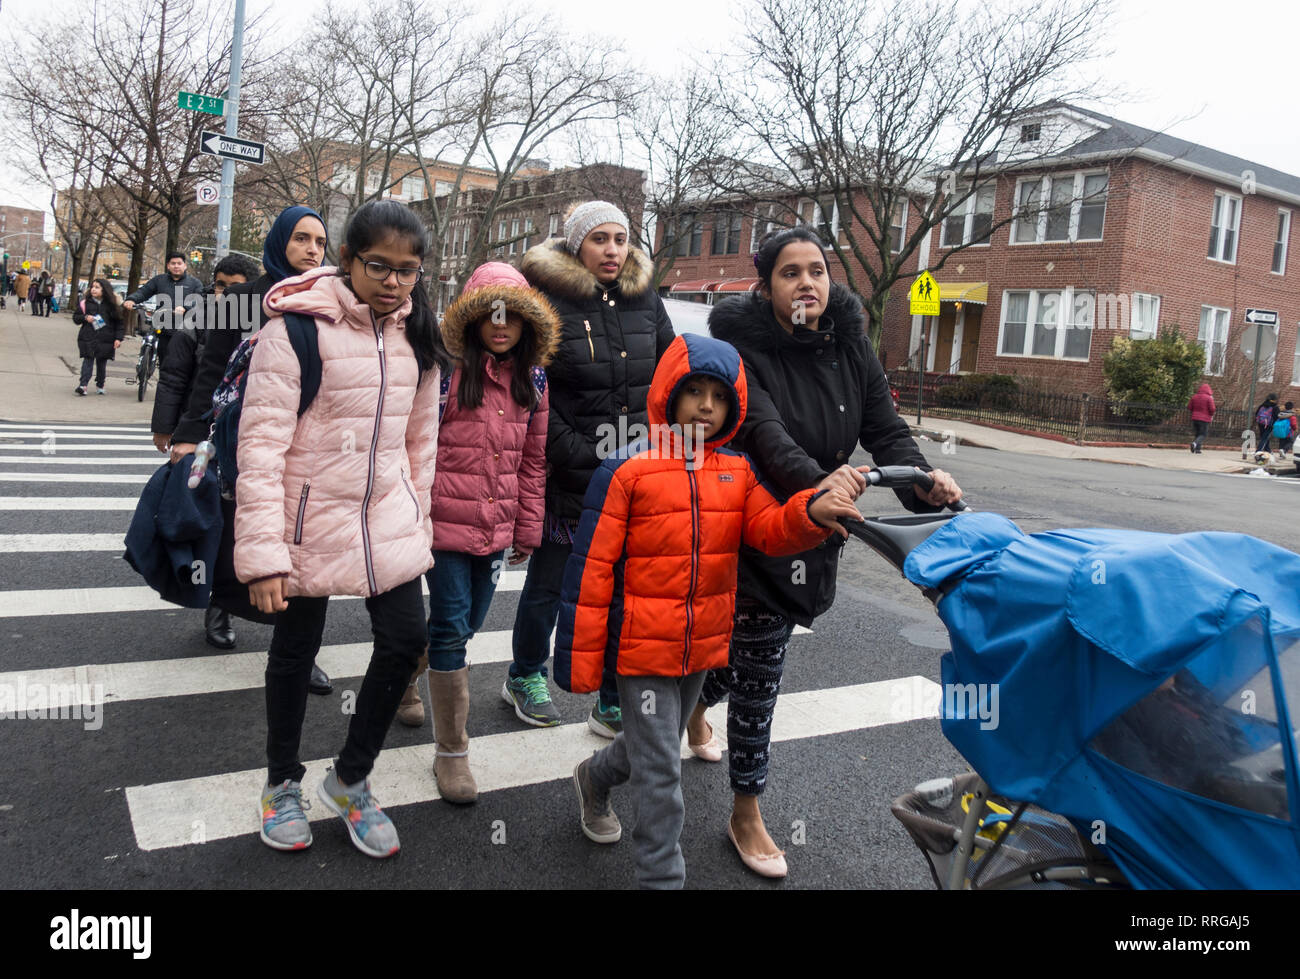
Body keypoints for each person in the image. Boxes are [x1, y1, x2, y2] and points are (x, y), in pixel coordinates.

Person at [684, 227, 961, 878]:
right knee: (762, 671)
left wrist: (924, 479)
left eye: (816, 270)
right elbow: (764, 431)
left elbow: (883, 426)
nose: (806, 282)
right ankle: (745, 811)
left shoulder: (848, 341)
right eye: (789, 273)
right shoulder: (743, 344)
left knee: (744, 659)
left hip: (816, 521)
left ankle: (695, 705)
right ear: (766, 285)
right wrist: (819, 483)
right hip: (759, 517)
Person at [558, 333, 862, 888]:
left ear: (733, 406)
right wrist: (580, 660)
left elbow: (770, 531)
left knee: (652, 749)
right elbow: (592, 570)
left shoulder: (737, 472)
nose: (704, 405)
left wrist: (810, 510)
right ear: (667, 396)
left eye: (718, 396)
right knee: (661, 780)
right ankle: (662, 877)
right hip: (644, 649)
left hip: (702, 646)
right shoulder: (628, 471)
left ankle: (593, 778)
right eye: (693, 391)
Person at [238, 199, 449, 857]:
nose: (393, 281)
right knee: (296, 653)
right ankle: (281, 783)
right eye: (378, 265)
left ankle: (351, 777)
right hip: (305, 516)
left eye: (407, 270)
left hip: (386, 515)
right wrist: (264, 552)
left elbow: (422, 442)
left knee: (407, 638)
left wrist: (418, 521)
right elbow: (262, 446)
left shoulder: (419, 335)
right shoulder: (294, 329)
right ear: (350, 260)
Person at [507, 201, 675, 737]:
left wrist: (661, 443)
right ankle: (524, 674)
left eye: (621, 239)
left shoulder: (644, 296)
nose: (612, 250)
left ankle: (609, 695)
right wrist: (577, 451)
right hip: (571, 471)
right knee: (551, 586)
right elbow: (533, 389)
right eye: (600, 238)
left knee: (623, 589)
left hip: (635, 476)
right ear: (577, 243)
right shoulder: (547, 298)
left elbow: (672, 371)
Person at [403, 261, 558, 804]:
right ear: (470, 319)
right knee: (449, 628)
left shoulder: (533, 379)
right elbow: (416, 448)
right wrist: (413, 517)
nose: (499, 325)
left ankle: (404, 676)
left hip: (496, 529)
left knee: (464, 626)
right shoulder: (444, 373)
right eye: (489, 314)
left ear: (526, 325)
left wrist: (527, 525)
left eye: (511, 316)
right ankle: (453, 753)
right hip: (442, 527)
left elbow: (534, 460)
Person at [169, 206, 332, 693]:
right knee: (237, 529)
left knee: (302, 543)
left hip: (307, 443)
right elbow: (211, 370)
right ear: (279, 241)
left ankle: (299, 650)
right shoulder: (242, 299)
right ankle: (222, 604)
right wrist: (187, 432)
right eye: (302, 238)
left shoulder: (328, 301)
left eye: (320, 242)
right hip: (241, 434)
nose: (311, 250)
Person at [150, 253, 261, 650]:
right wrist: (172, 429)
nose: (223, 293)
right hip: (206, 433)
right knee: (219, 525)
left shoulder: (261, 320)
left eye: (232, 287)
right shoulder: (198, 322)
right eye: (218, 285)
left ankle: (295, 639)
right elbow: (177, 377)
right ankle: (220, 606)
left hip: (253, 437)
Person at [124, 252, 204, 368]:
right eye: (173, 263)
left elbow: (199, 299)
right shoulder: (159, 280)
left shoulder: (194, 283)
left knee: (179, 361)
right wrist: (132, 299)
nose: (176, 266)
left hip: (183, 328)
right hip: (162, 325)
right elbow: (144, 291)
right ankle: (146, 364)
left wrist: (185, 308)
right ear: (168, 266)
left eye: (179, 263)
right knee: (162, 358)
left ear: (185, 265)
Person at [72, 278, 125, 396]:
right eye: (92, 287)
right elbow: (76, 318)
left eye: (97, 287)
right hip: (88, 337)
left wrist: (118, 338)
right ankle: (83, 385)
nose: (93, 289)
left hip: (106, 339)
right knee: (88, 361)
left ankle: (100, 384)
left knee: (101, 363)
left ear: (104, 290)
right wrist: (85, 318)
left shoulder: (112, 305)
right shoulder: (85, 303)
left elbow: (119, 323)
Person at [1188, 382, 1215, 454]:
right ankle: (1194, 444)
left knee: (1198, 434)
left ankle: (1197, 449)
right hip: (1204, 419)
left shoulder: (1194, 397)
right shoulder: (1209, 398)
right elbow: (1212, 409)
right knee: (1203, 434)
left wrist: (1194, 412)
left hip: (1194, 418)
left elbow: (1189, 407)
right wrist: (1211, 415)